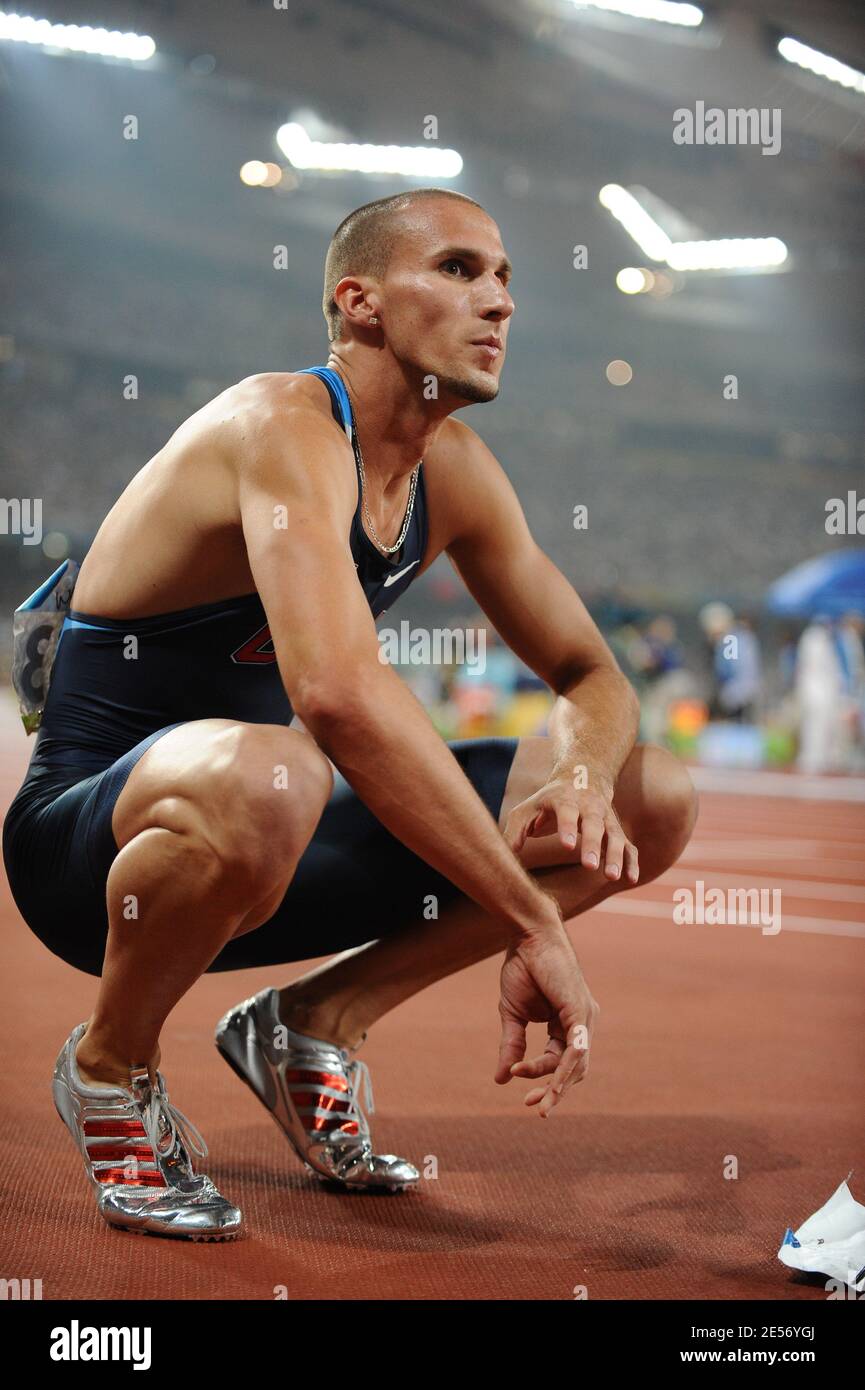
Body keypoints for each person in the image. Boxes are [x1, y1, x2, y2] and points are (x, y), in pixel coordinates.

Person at [3, 188, 697, 1241]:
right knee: (279, 769)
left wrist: (584, 777)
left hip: (281, 837)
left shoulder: (454, 475)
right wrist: (528, 915)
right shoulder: (278, 423)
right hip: (96, 855)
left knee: (652, 795)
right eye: (461, 270)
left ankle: (312, 1023)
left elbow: (590, 676)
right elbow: (335, 691)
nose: (500, 302)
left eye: (506, 278)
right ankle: (109, 1067)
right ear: (359, 301)